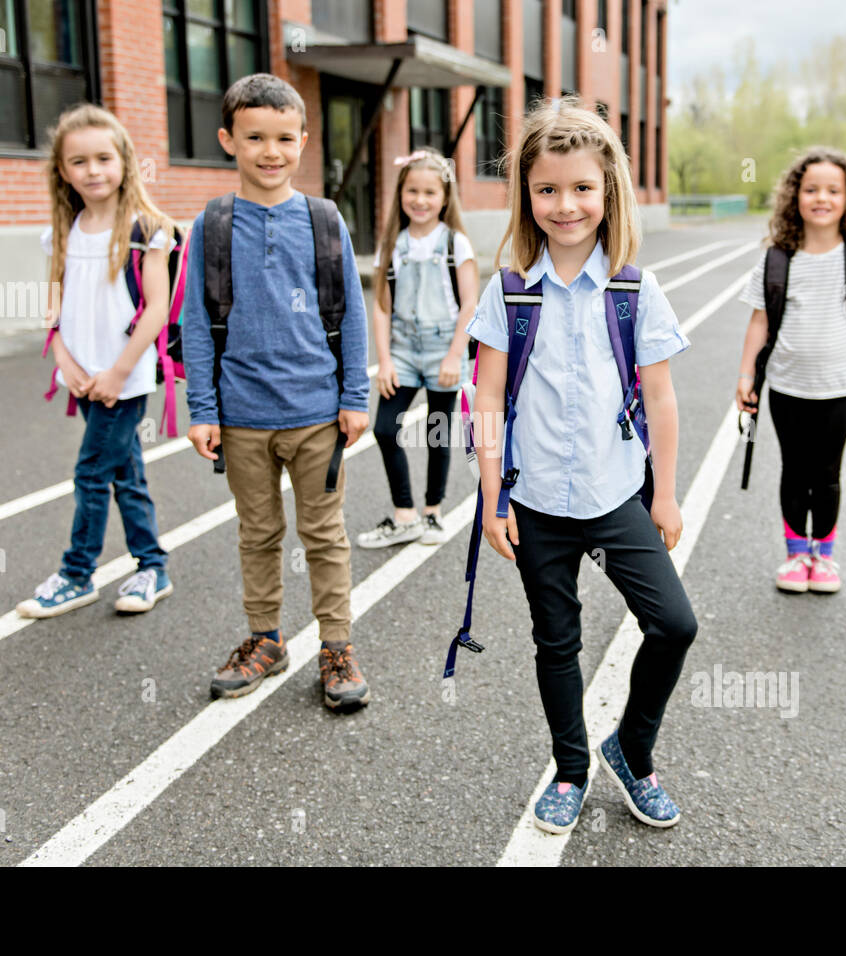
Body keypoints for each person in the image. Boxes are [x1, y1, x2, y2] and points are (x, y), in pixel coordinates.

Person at [468, 97, 698, 834]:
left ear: (607, 193)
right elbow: (490, 399)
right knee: (556, 640)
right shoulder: (509, 291)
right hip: (536, 500)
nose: (565, 205)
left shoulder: (635, 290)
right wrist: (490, 497)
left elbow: (660, 399)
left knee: (674, 624)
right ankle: (570, 770)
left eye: (581, 189)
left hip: (615, 492)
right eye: (547, 189)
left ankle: (631, 751)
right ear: (526, 196)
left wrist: (666, 495)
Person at [181, 73, 373, 711]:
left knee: (324, 535)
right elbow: (195, 328)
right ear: (227, 140)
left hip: (317, 415)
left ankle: (337, 647)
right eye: (255, 137)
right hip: (241, 418)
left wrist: (354, 396)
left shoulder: (324, 221)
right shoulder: (209, 226)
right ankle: (266, 639)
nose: (271, 151)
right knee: (257, 533)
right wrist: (203, 410)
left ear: (303, 142)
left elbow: (351, 316)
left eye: (284, 138)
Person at [17, 104, 175, 620]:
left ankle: (76, 573)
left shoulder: (145, 229)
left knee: (90, 473)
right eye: (79, 161)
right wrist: (67, 363)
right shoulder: (63, 230)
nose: (93, 170)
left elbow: (156, 307)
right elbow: (54, 308)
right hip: (82, 378)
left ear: (124, 162)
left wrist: (118, 371)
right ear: (63, 170)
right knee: (124, 473)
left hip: (122, 380)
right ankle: (152, 564)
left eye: (103, 158)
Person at [734, 146, 846, 594]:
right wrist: (746, 375)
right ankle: (793, 556)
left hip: (841, 388)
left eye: (832, 190)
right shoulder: (778, 259)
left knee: (826, 475)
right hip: (786, 387)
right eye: (810, 189)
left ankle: (822, 557)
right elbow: (760, 320)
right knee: (793, 470)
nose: (821, 198)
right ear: (795, 197)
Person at [358, 147, 479, 549]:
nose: (420, 200)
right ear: (400, 193)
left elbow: (470, 306)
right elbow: (381, 308)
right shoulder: (392, 243)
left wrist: (453, 356)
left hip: (445, 345)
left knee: (437, 433)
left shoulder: (455, 243)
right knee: (385, 428)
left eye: (430, 192)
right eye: (413, 191)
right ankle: (404, 514)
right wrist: (386, 362)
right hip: (404, 350)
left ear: (444, 198)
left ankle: (432, 513)